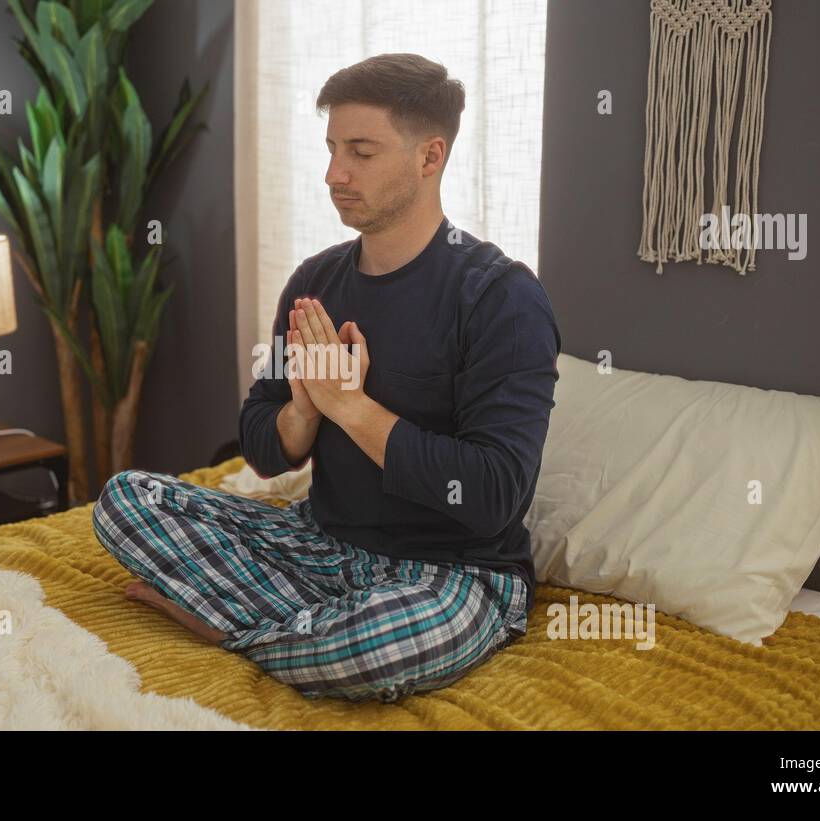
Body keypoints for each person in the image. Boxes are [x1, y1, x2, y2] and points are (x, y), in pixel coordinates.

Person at [93, 53, 561, 703]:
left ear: (430, 158)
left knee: (375, 646)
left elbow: (493, 494)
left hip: (452, 572)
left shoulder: (500, 297)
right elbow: (260, 443)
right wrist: (305, 409)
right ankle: (295, 630)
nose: (333, 174)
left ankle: (226, 622)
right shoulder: (315, 283)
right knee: (126, 500)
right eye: (332, 148)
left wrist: (351, 407)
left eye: (361, 152)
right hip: (320, 539)